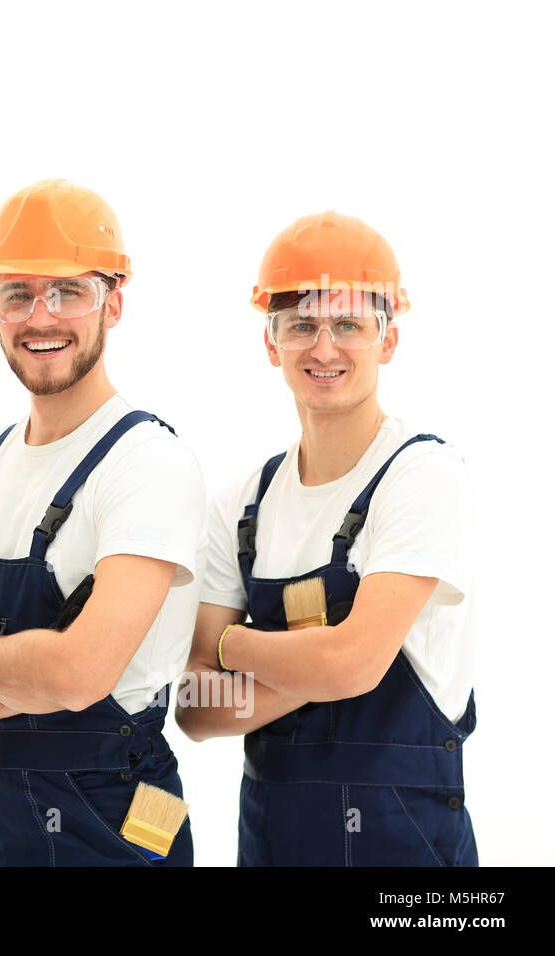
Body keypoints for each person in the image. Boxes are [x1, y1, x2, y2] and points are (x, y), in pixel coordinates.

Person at [0, 179, 205, 866]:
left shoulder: (149, 465)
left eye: (68, 292)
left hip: (124, 815)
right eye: (17, 294)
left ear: (112, 304)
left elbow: (81, 676)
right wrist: (36, 669)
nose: (40, 317)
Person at [175, 210, 478, 866]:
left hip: (407, 851)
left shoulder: (421, 475)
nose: (324, 348)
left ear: (387, 339)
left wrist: (228, 644)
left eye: (348, 324)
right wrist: (331, 655)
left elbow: (353, 666)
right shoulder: (243, 503)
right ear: (270, 342)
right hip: (273, 841)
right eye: (302, 325)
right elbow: (196, 708)